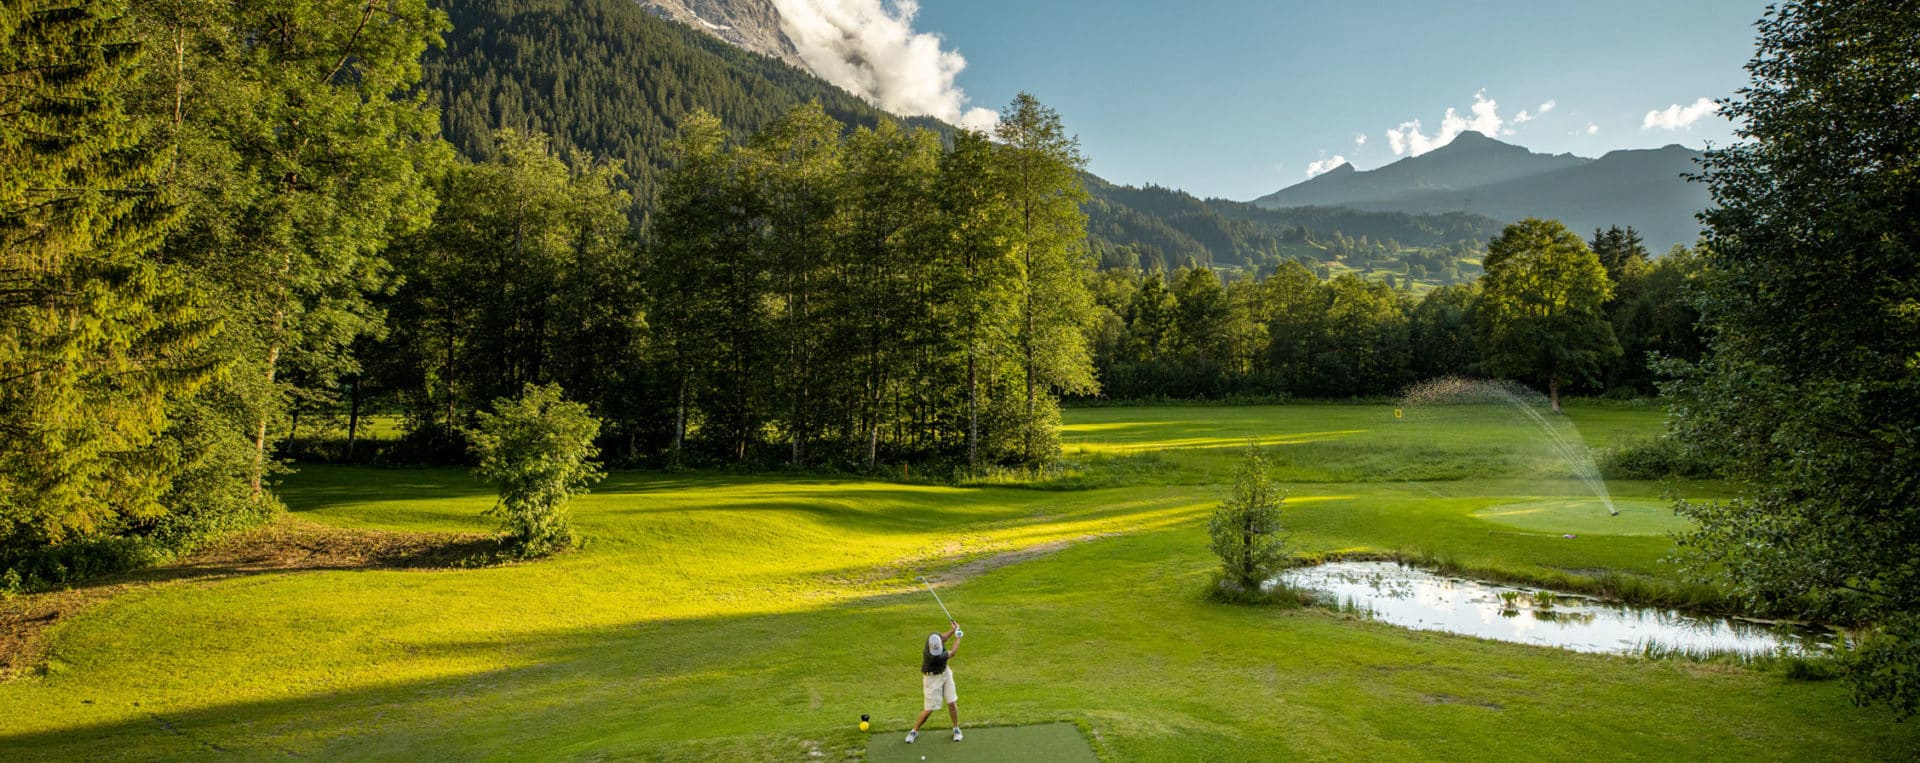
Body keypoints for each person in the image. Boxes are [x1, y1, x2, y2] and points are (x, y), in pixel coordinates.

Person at [905, 620, 963, 743]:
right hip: (932, 679)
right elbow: (952, 653)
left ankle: (956, 728)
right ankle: (914, 730)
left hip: (945, 672)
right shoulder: (933, 656)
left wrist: (952, 630)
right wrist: (959, 637)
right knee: (929, 710)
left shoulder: (933, 637)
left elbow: (943, 638)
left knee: (952, 702)